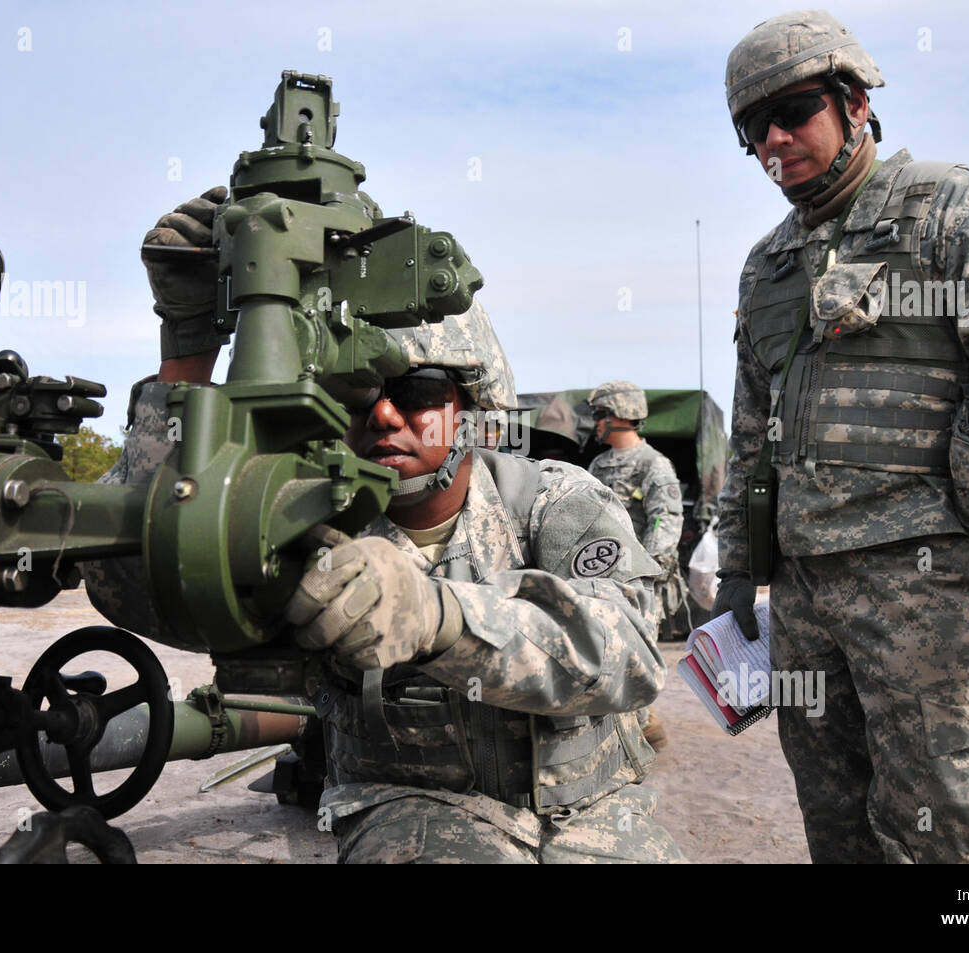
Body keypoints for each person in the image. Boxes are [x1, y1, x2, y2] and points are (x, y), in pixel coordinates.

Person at [85, 188, 687, 863]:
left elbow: (630, 653)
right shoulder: (298, 518)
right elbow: (130, 578)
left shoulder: (552, 500)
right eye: (358, 394)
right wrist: (188, 350)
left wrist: (438, 616)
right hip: (420, 811)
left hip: (598, 810)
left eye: (419, 392)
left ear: (469, 403)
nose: (386, 416)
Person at [714, 10, 969, 863]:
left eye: (792, 113)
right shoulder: (770, 265)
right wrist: (736, 573)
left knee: (957, 841)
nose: (773, 141)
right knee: (840, 836)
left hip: (930, 592)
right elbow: (753, 431)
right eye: (752, 128)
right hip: (802, 603)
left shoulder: (951, 212)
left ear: (855, 101)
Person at [587, 381, 689, 750]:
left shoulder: (653, 464)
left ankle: (643, 730)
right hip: (601, 578)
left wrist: (645, 571)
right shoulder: (598, 464)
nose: (595, 423)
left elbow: (665, 519)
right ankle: (642, 726)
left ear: (620, 416)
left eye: (599, 414)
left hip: (642, 582)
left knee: (636, 656)